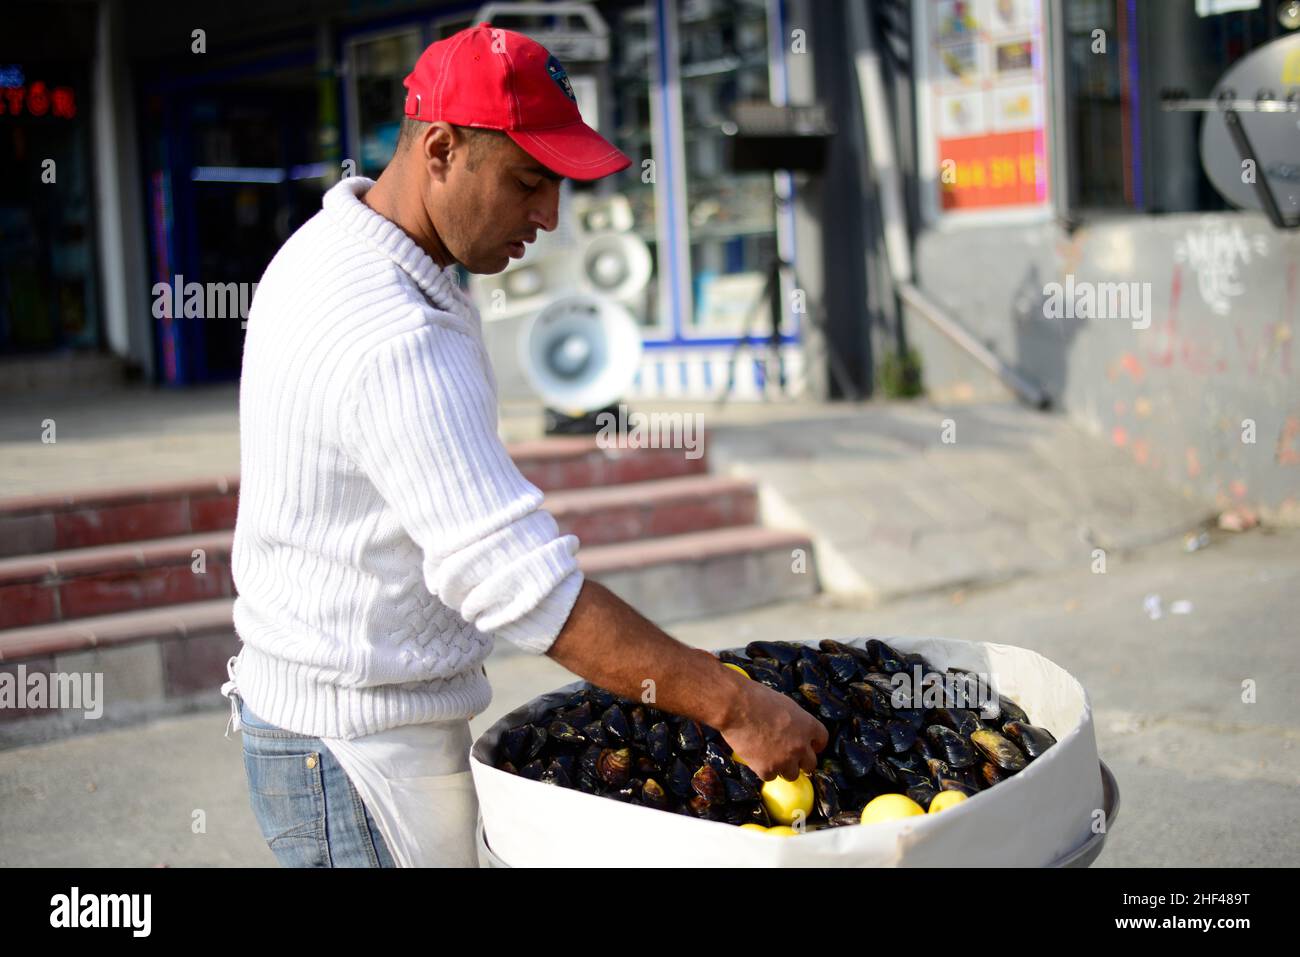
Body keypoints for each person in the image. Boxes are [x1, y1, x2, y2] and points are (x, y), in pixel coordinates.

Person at [221, 21, 826, 868]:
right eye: (527, 181)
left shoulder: (336, 246)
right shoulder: (392, 329)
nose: (547, 215)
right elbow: (518, 585)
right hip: (350, 750)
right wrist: (736, 707)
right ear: (440, 149)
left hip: (340, 723)